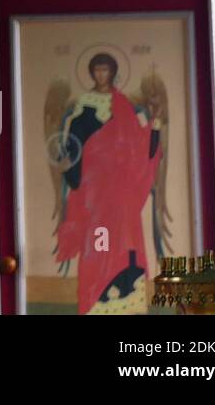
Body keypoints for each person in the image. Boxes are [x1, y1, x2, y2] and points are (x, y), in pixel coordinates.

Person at [53, 52, 162, 314]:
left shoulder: (125, 106)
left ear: (113, 72)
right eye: (97, 70)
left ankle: (126, 300)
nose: (102, 75)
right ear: (91, 73)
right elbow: (73, 149)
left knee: (126, 242)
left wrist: (155, 125)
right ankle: (97, 301)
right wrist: (70, 170)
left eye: (106, 70)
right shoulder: (80, 109)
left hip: (122, 194)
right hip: (94, 194)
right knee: (99, 242)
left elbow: (142, 148)